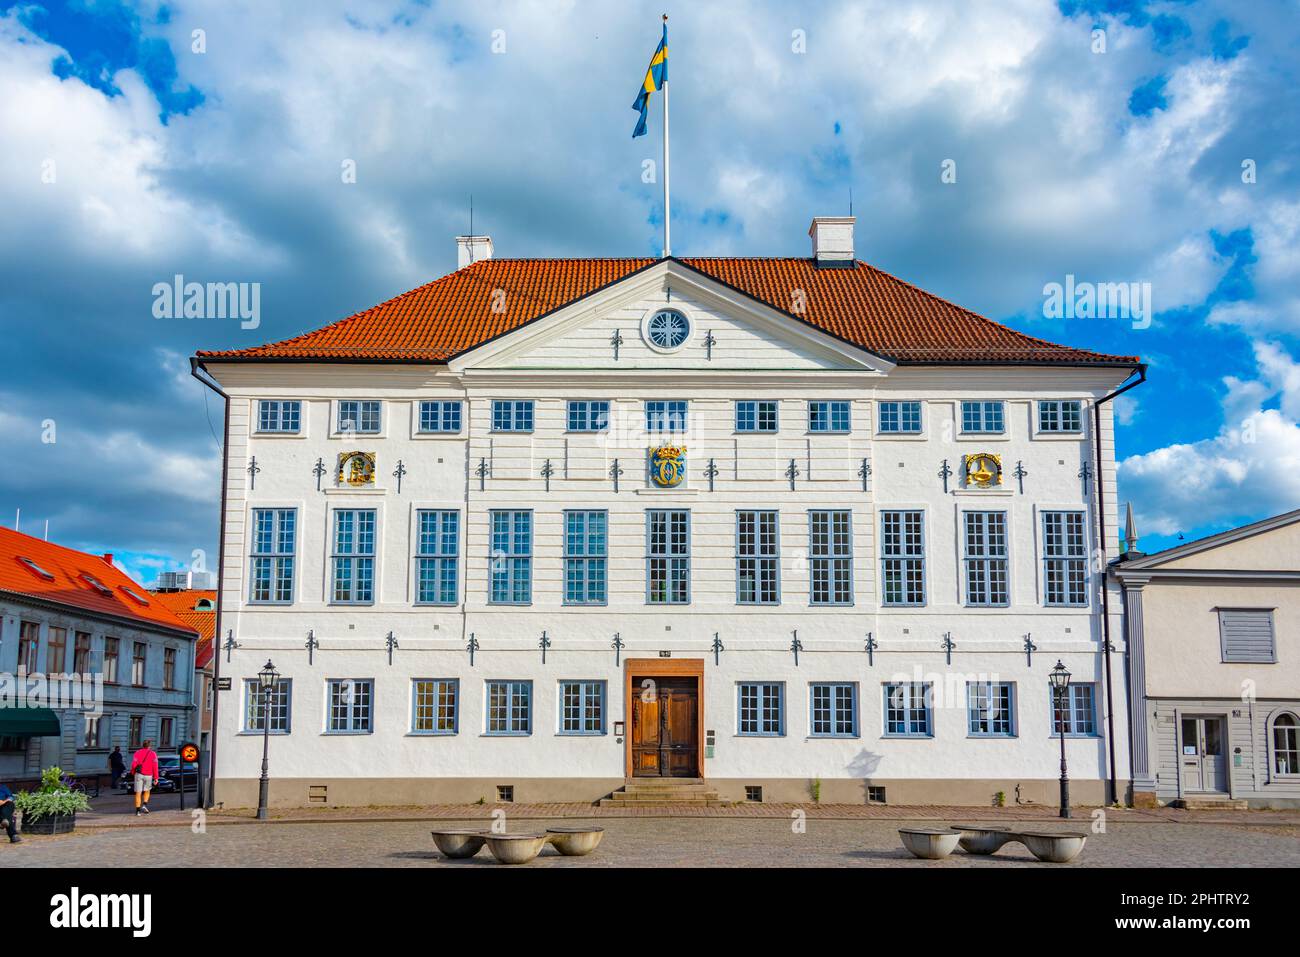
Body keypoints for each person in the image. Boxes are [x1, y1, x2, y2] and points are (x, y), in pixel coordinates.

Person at [130, 739, 159, 816]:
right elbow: (155, 766)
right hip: (149, 775)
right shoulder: (153, 754)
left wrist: (133, 772)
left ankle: (137, 811)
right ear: (150, 746)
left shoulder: (137, 753)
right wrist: (156, 777)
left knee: (138, 792)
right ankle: (144, 805)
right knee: (147, 790)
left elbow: (134, 764)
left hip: (139, 774)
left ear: (143, 745)